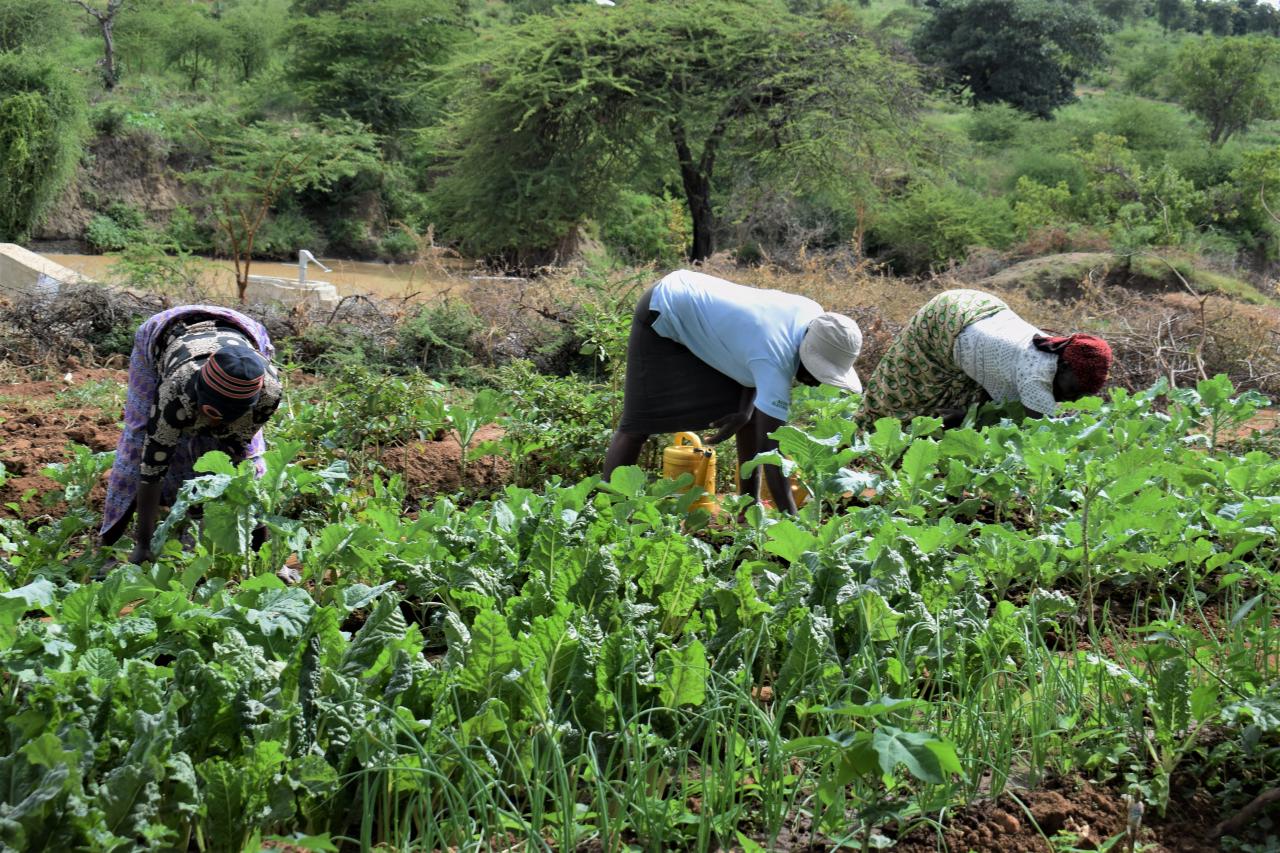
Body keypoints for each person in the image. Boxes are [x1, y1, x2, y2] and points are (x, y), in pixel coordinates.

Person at [603, 269, 863, 513]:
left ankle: (747, 508)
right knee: (636, 426)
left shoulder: (812, 316)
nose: (818, 383)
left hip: (702, 308)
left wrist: (743, 410)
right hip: (664, 308)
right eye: (819, 373)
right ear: (806, 352)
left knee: (749, 419)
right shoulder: (776, 357)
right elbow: (771, 456)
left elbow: (750, 340)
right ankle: (607, 512)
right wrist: (796, 525)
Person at [100, 305, 282, 564]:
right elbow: (152, 468)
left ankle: (237, 542)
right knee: (139, 439)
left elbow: (243, 471)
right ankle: (107, 544)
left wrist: (259, 555)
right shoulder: (176, 388)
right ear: (201, 402)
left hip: (244, 331)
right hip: (163, 332)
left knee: (248, 459)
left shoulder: (268, 394)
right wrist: (143, 545)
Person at [856, 289, 1112, 430]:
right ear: (1065, 365)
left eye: (1081, 397)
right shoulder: (1036, 377)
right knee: (903, 391)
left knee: (961, 406)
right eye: (1075, 390)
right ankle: (861, 431)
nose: (1072, 400)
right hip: (945, 318)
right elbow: (1041, 438)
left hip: (980, 306)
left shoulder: (1054, 350)